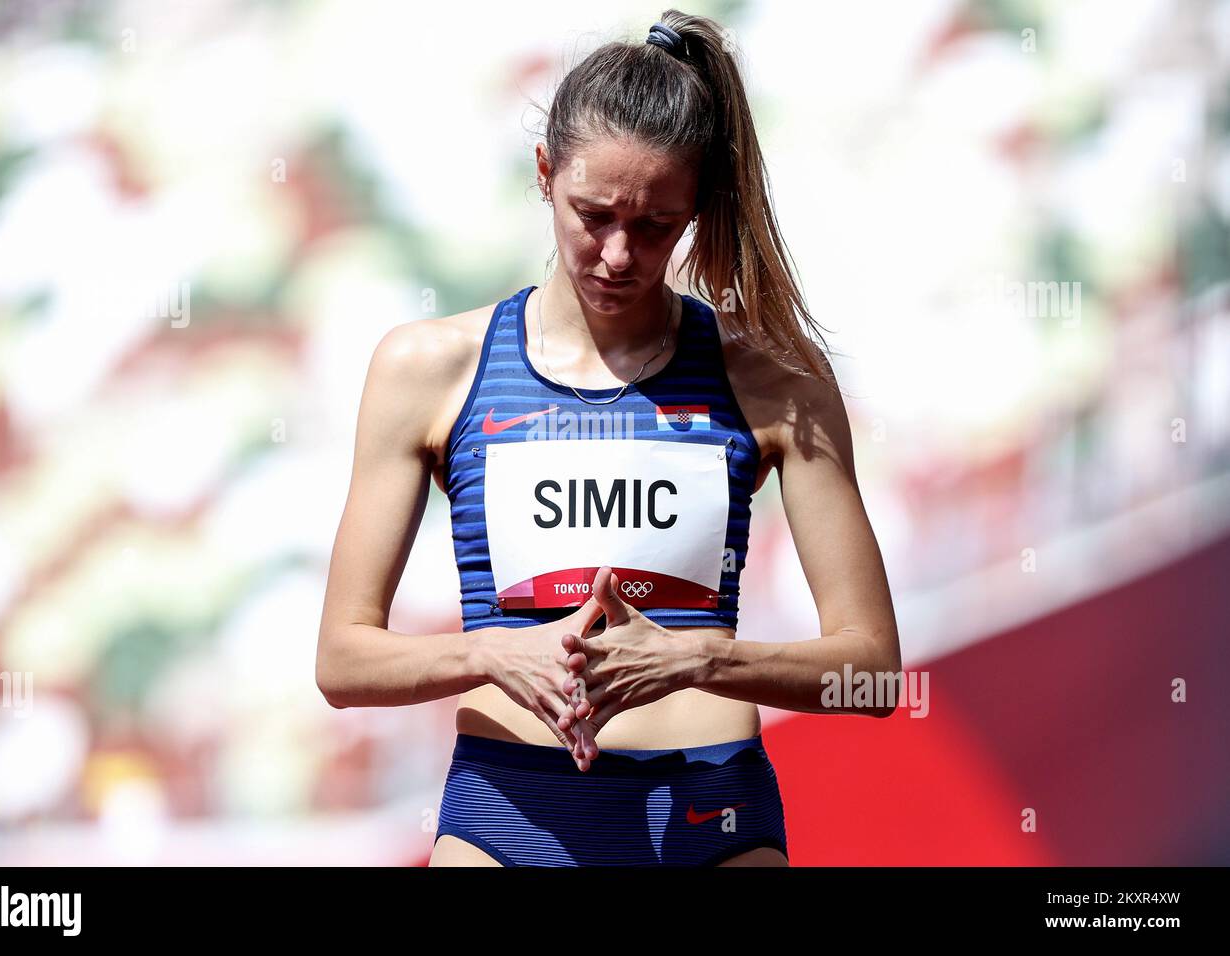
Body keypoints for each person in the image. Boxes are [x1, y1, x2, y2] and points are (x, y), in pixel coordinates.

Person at [315, 10, 901, 867]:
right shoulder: (425, 368)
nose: (620, 254)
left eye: (657, 225)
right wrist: (490, 652)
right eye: (594, 214)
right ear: (545, 173)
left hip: (711, 815)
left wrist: (694, 658)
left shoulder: (772, 374)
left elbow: (874, 671)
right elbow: (341, 661)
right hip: (505, 816)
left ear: (697, 206)